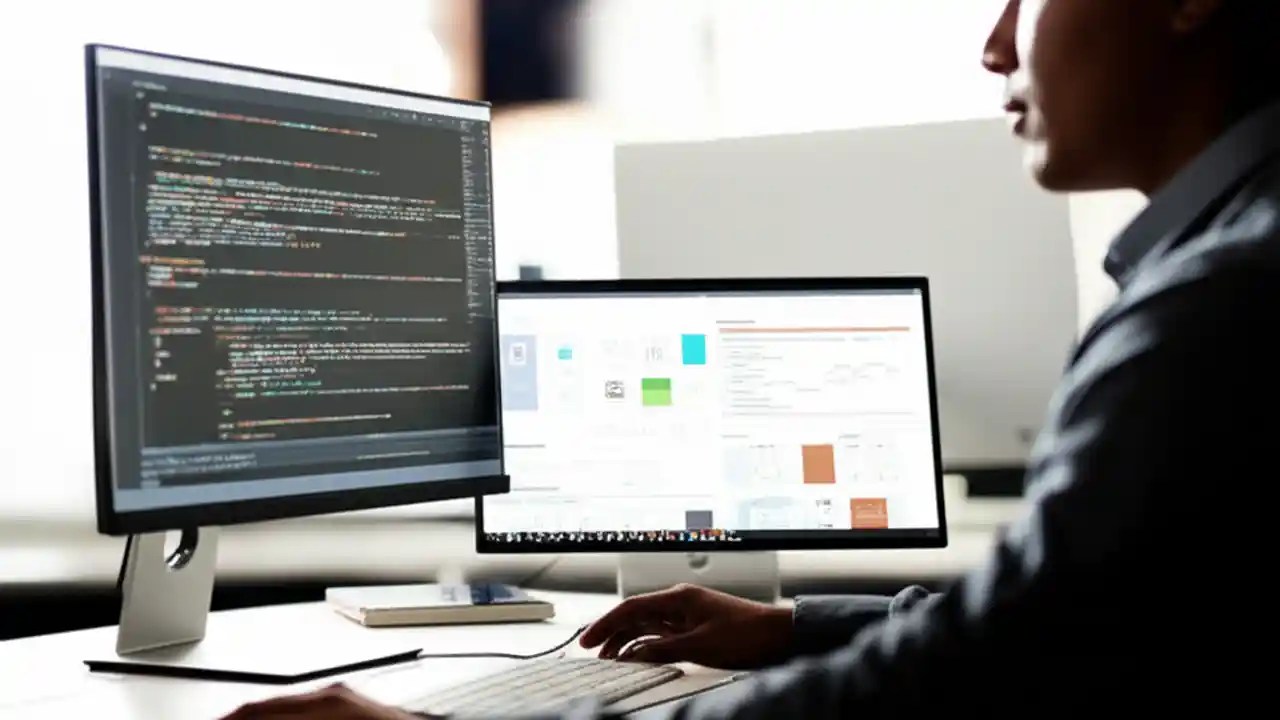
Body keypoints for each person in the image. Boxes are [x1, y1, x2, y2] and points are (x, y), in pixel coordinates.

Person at [223, 0, 1280, 717]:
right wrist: (786, 629)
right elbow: (1045, 612)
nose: (995, 46)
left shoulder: (1210, 306)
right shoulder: (1223, 266)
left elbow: (995, 665)